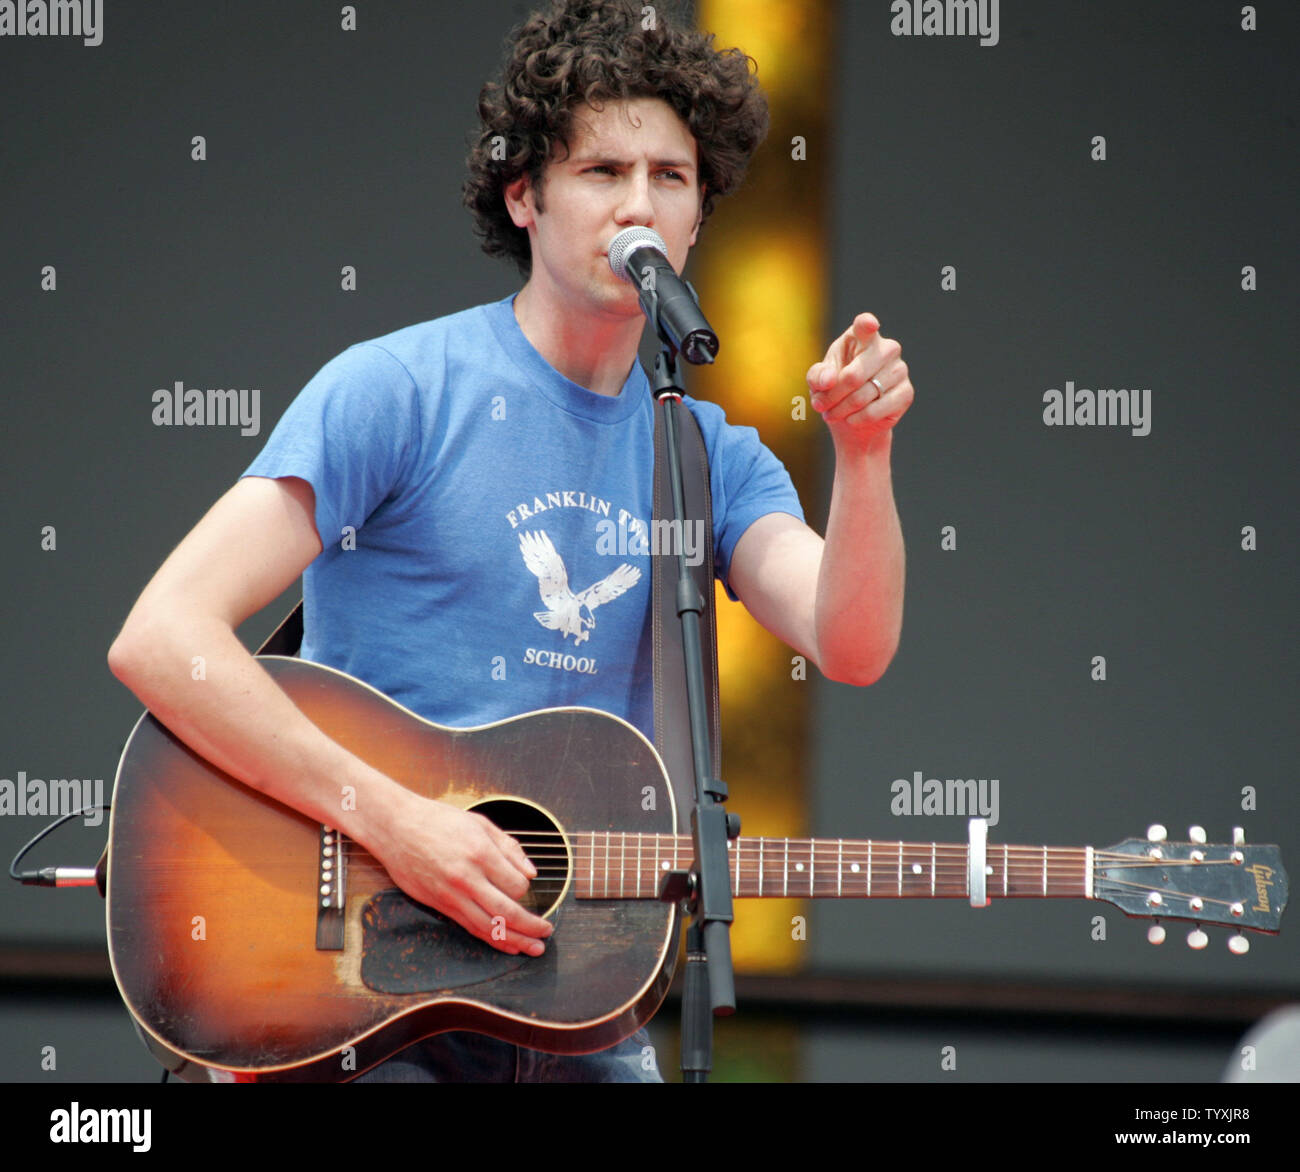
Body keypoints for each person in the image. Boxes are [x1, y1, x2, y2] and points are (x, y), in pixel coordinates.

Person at [107, 0, 911, 1082]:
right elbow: (162, 637)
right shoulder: (397, 390)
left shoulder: (709, 453)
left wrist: (862, 456)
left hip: (570, 996)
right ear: (523, 193)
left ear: (698, 217)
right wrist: (398, 823)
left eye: (672, 177)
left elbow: (849, 642)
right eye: (602, 171)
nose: (639, 203)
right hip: (348, 978)